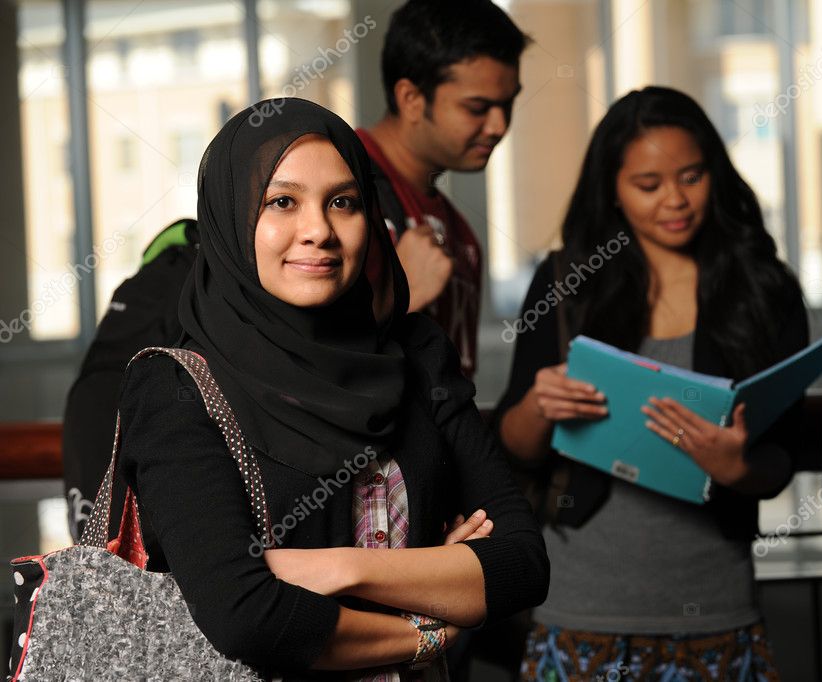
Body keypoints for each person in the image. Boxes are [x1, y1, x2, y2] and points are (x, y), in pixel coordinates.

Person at [116, 97, 549, 679]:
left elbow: (522, 564)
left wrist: (344, 569)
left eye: (342, 202)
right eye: (282, 202)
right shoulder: (175, 387)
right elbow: (246, 616)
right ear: (231, 217)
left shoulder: (416, 353)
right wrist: (432, 609)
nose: (318, 230)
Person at [494, 86, 808, 681]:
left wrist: (736, 469)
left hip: (717, 605)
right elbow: (514, 445)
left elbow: (781, 457)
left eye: (692, 176)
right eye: (648, 185)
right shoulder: (566, 280)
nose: (676, 201)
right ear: (611, 188)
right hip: (581, 608)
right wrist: (540, 403)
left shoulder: (763, 287)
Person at [357, 0, 529, 377]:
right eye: (477, 107)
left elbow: (454, 399)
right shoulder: (336, 190)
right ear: (411, 99)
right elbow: (296, 374)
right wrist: (403, 297)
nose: (499, 126)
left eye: (508, 104)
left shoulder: (463, 239)